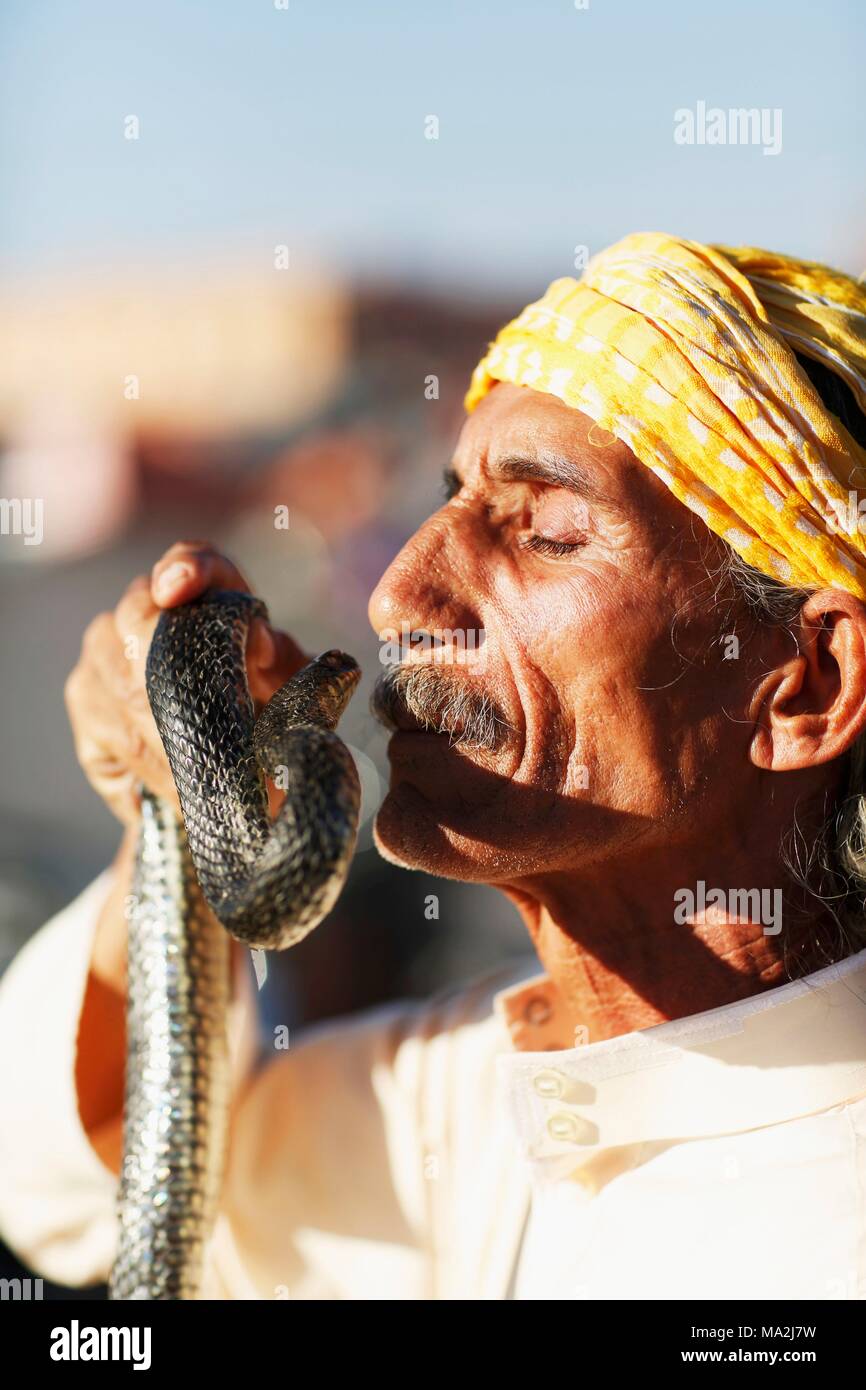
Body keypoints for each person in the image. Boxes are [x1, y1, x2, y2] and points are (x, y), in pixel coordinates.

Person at [3, 231, 866, 1300]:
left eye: (545, 529)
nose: (395, 598)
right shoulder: (439, 1098)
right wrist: (177, 813)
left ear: (805, 684)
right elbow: (64, 1187)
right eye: (448, 499)